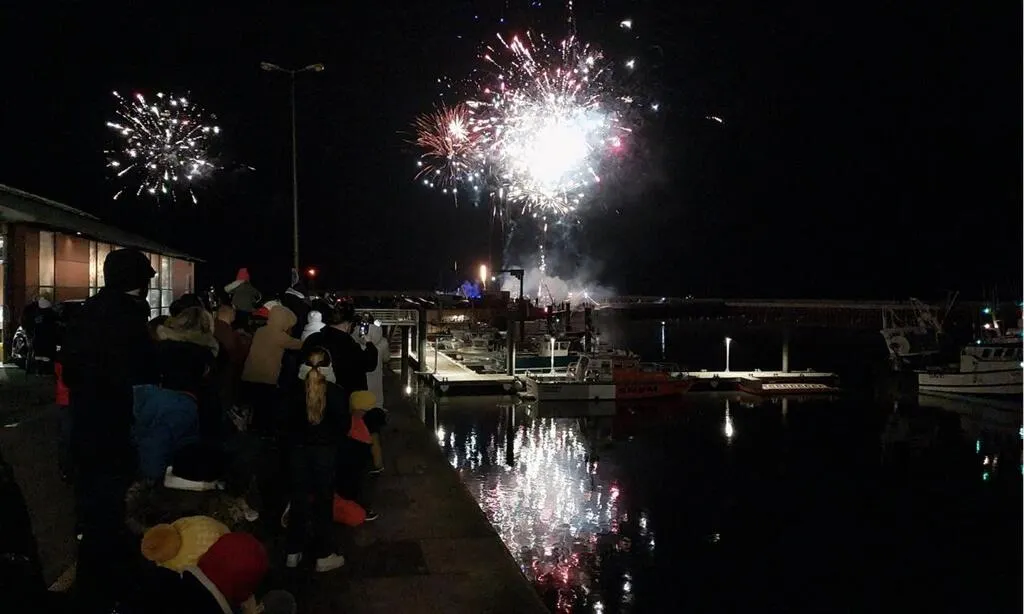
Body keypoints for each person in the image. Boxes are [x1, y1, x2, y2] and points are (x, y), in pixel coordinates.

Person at [61, 247, 158, 612]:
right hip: (118, 430)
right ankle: (115, 591)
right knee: (120, 516)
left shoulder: (85, 313)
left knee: (90, 513)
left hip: (84, 427)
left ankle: (89, 589)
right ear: (140, 283)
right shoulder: (131, 318)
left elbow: (69, 371)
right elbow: (145, 377)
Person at [283, 348, 347, 572]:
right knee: (323, 502)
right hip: (325, 453)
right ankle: (323, 553)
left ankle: (293, 551)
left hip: (297, 452)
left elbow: (283, 424)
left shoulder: (291, 391)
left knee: (298, 499)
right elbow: (344, 427)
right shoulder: (337, 393)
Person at [241, 303, 302, 435]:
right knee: (267, 406)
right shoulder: (279, 336)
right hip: (266, 377)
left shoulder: (260, 331)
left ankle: (252, 428)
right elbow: (299, 345)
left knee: (256, 405)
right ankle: (264, 432)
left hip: (250, 374)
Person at [301, 302, 377, 395]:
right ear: (348, 324)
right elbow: (370, 364)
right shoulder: (349, 345)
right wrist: (369, 344)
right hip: (342, 398)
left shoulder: (312, 339)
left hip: (310, 394)